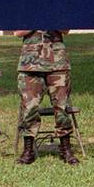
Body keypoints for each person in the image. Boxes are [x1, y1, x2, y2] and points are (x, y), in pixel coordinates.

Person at [15, 30, 78, 165]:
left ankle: (65, 148)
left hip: (57, 62)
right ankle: (28, 150)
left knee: (61, 106)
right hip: (30, 64)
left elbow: (65, 30)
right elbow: (18, 32)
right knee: (29, 107)